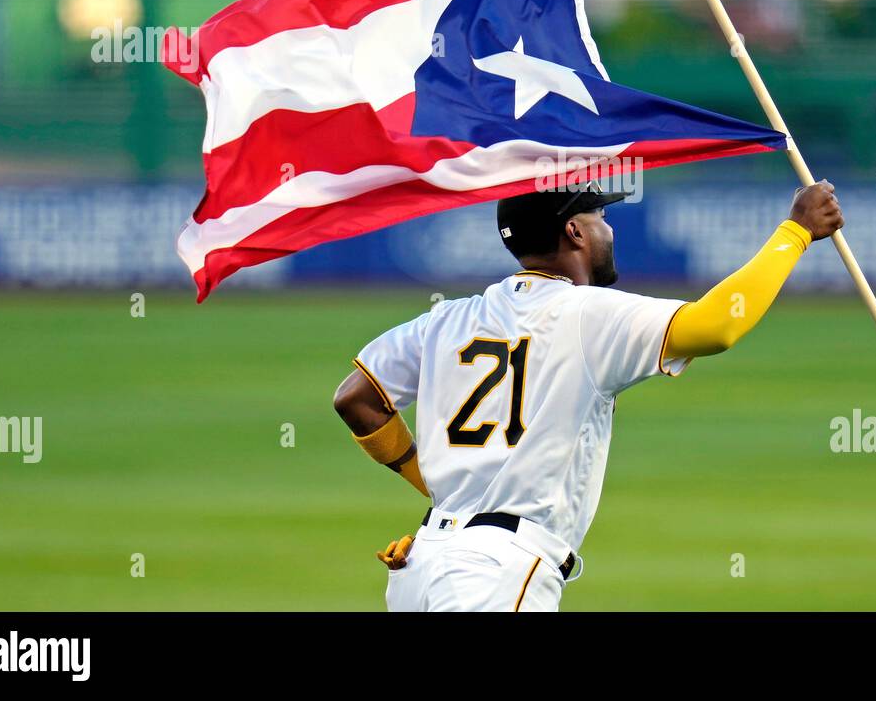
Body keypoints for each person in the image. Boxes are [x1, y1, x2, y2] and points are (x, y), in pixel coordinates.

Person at [333, 178, 844, 611]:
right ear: (574, 231)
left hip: (422, 562)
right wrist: (795, 232)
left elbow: (356, 397)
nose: (609, 227)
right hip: (494, 572)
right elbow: (717, 325)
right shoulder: (587, 313)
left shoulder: (448, 318)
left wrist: (433, 484)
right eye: (600, 215)